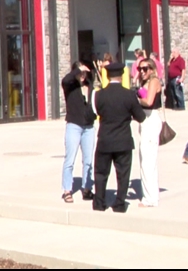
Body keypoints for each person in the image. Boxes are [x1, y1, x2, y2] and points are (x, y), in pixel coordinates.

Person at [92, 62, 147, 212]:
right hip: (123, 140)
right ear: (122, 75)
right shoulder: (129, 95)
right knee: (123, 173)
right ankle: (120, 203)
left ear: (108, 76)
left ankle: (99, 202)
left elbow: (98, 112)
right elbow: (141, 117)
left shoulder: (99, 94)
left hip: (105, 139)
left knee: (101, 172)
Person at [60, 59, 97, 203]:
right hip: (74, 126)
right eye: (80, 72)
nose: (82, 75)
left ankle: (87, 188)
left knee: (88, 160)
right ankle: (67, 190)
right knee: (70, 159)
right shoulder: (70, 86)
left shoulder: (89, 86)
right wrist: (77, 69)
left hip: (88, 126)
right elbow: (65, 79)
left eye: (84, 73)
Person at [135, 56, 163, 208]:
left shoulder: (154, 81)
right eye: (140, 68)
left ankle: (150, 198)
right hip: (145, 120)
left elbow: (149, 101)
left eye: (145, 68)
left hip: (151, 119)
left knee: (148, 160)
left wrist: (135, 99)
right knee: (145, 159)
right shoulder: (144, 82)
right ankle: (150, 195)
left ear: (152, 69)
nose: (142, 71)